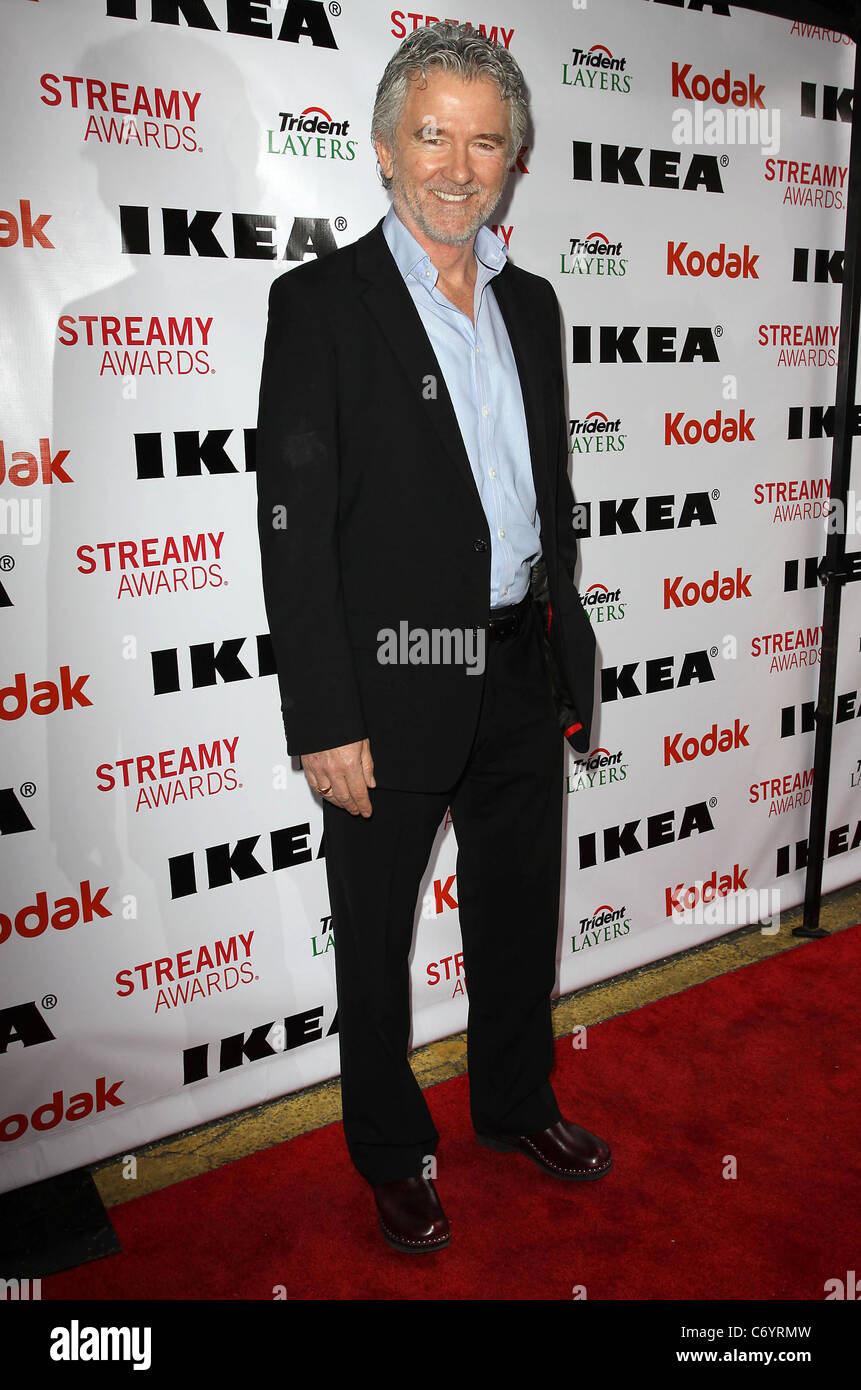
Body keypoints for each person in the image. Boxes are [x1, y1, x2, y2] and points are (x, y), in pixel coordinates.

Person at [256, 21, 610, 1254]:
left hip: (518, 661)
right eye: (433, 135)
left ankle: (516, 1104)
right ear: (383, 149)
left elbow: (538, 500)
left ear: (513, 160)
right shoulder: (317, 304)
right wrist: (324, 713)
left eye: (485, 142)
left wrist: (562, 653)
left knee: (519, 910)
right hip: (389, 672)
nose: (458, 167)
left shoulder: (539, 304)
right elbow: (291, 525)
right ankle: (393, 1149)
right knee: (376, 940)